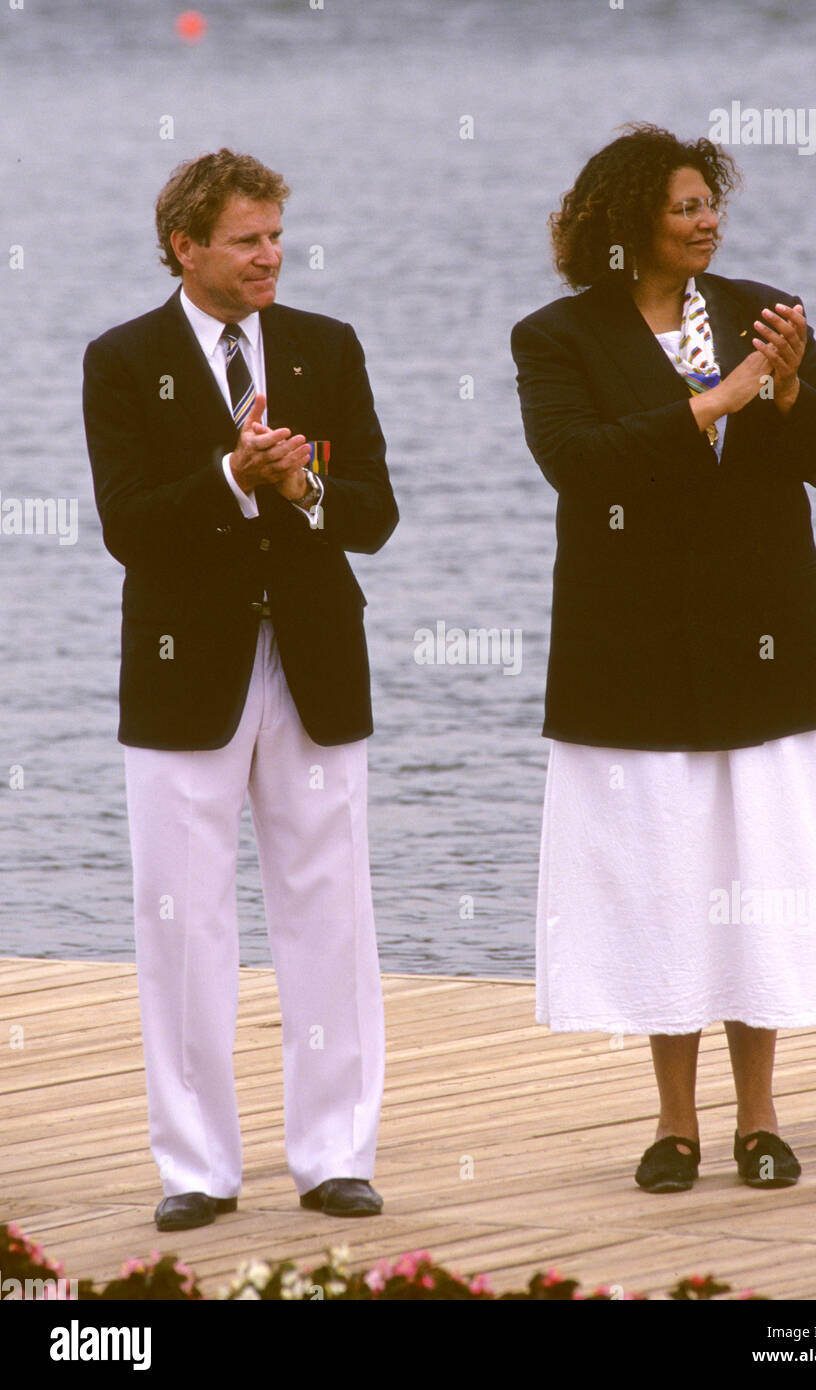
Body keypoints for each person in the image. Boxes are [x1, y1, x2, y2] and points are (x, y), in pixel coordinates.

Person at [510, 123, 816, 1194]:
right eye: (683, 206)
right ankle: (673, 1124)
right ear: (627, 222)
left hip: (764, 643)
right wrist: (711, 402)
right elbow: (576, 464)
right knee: (663, 879)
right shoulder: (555, 335)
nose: (706, 220)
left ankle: (759, 1122)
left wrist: (782, 387)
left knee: (753, 876)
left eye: (709, 203)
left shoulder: (763, 310)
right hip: (628, 649)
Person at [83, 149, 397, 1230]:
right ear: (187, 247)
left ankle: (336, 1152)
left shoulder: (326, 345)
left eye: (276, 236)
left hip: (314, 661)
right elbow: (128, 524)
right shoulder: (120, 360)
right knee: (181, 918)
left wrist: (304, 483)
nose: (271, 256)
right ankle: (197, 1168)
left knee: (331, 912)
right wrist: (230, 475)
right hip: (181, 672)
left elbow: (376, 514)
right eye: (247, 240)